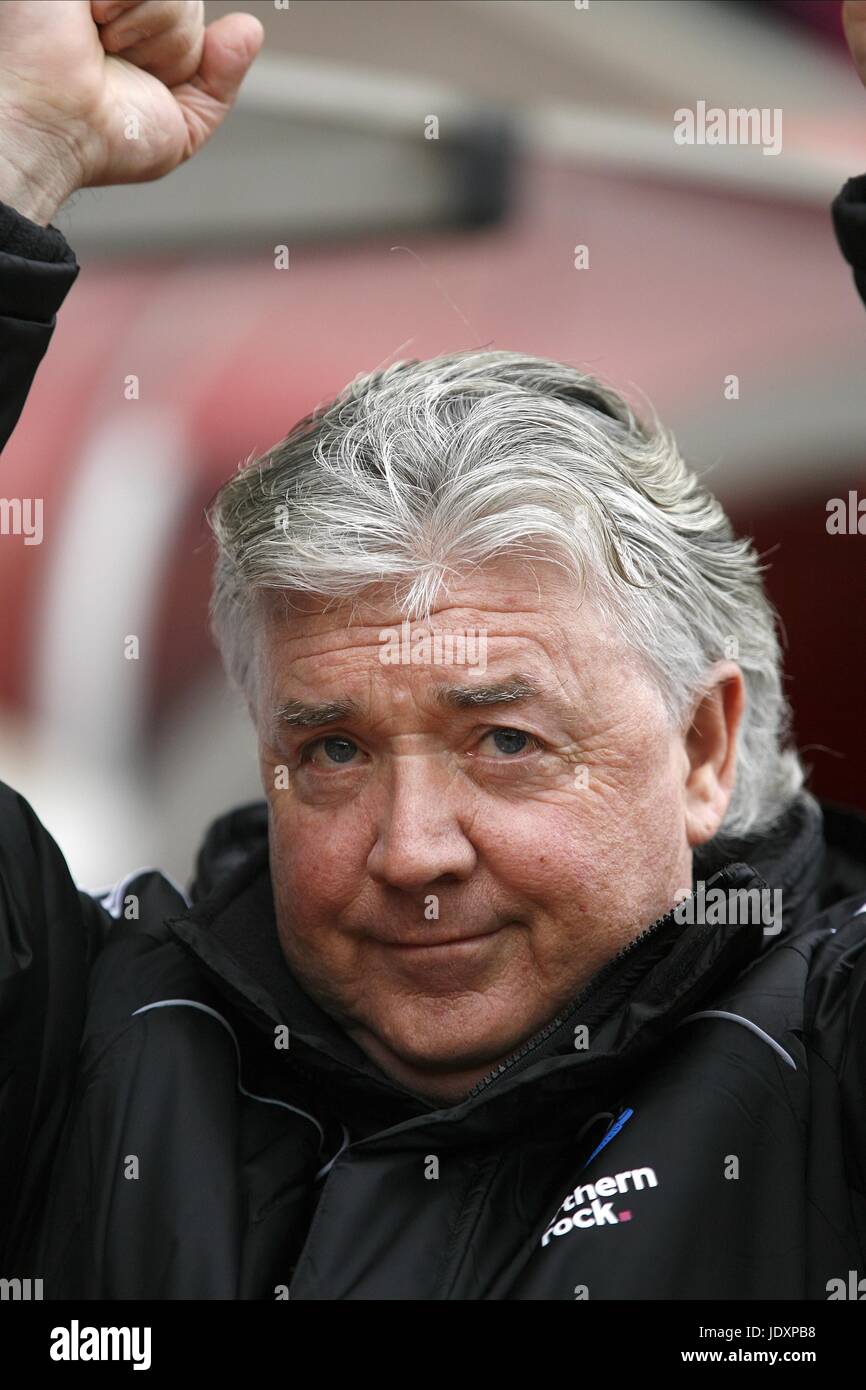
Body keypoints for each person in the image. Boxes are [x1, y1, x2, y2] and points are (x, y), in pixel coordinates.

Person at [1, 0, 865, 1300]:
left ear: (702, 744)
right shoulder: (85, 1053)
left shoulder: (829, 1062)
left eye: (504, 740)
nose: (410, 849)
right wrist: (11, 162)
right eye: (333, 747)